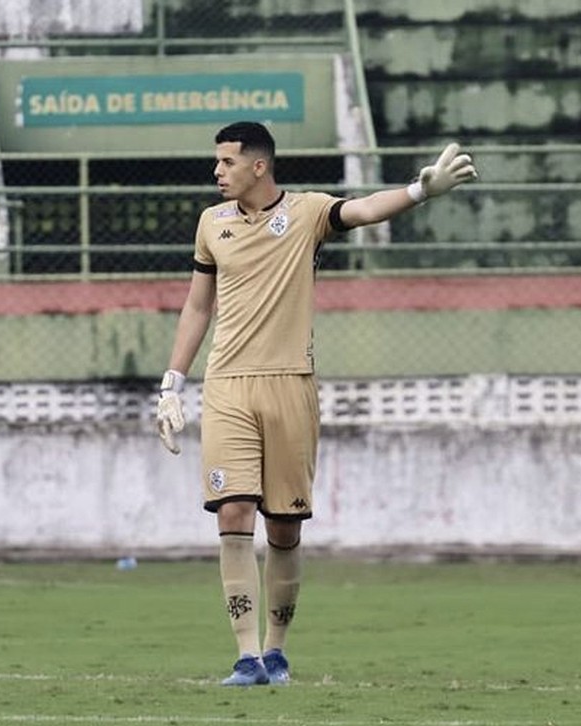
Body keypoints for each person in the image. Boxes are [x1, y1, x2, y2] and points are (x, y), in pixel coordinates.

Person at [155, 121, 477, 686]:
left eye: (226, 162)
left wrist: (420, 190)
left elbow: (364, 211)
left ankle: (276, 652)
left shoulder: (306, 213)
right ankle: (245, 656)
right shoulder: (212, 223)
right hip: (228, 383)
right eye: (217, 162)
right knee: (233, 511)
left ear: (259, 166)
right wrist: (171, 381)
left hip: (291, 384)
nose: (217, 172)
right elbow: (197, 308)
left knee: (283, 526)